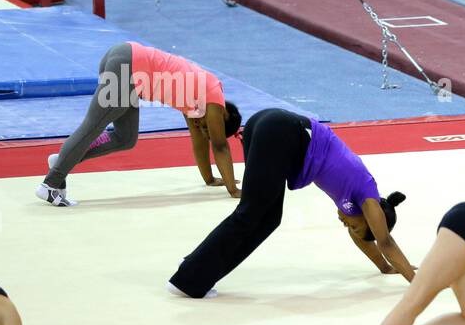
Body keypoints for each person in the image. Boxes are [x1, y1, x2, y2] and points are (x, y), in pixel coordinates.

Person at [168, 109, 414, 298]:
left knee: (267, 219)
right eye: (354, 226)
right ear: (371, 217)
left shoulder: (355, 206)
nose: (347, 226)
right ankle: (189, 278)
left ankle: (197, 268)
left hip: (271, 130)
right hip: (281, 132)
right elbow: (384, 241)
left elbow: (366, 240)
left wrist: (383, 267)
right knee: (250, 213)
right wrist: (416, 281)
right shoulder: (367, 195)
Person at [36, 41, 241, 206]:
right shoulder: (213, 97)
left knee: (125, 137)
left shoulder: (195, 105)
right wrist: (233, 190)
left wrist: (210, 179)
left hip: (127, 63)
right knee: (93, 125)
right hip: (129, 66)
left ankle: (62, 161)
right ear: (224, 115)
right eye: (207, 126)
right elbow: (219, 145)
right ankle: (51, 185)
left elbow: (200, 144)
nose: (200, 127)